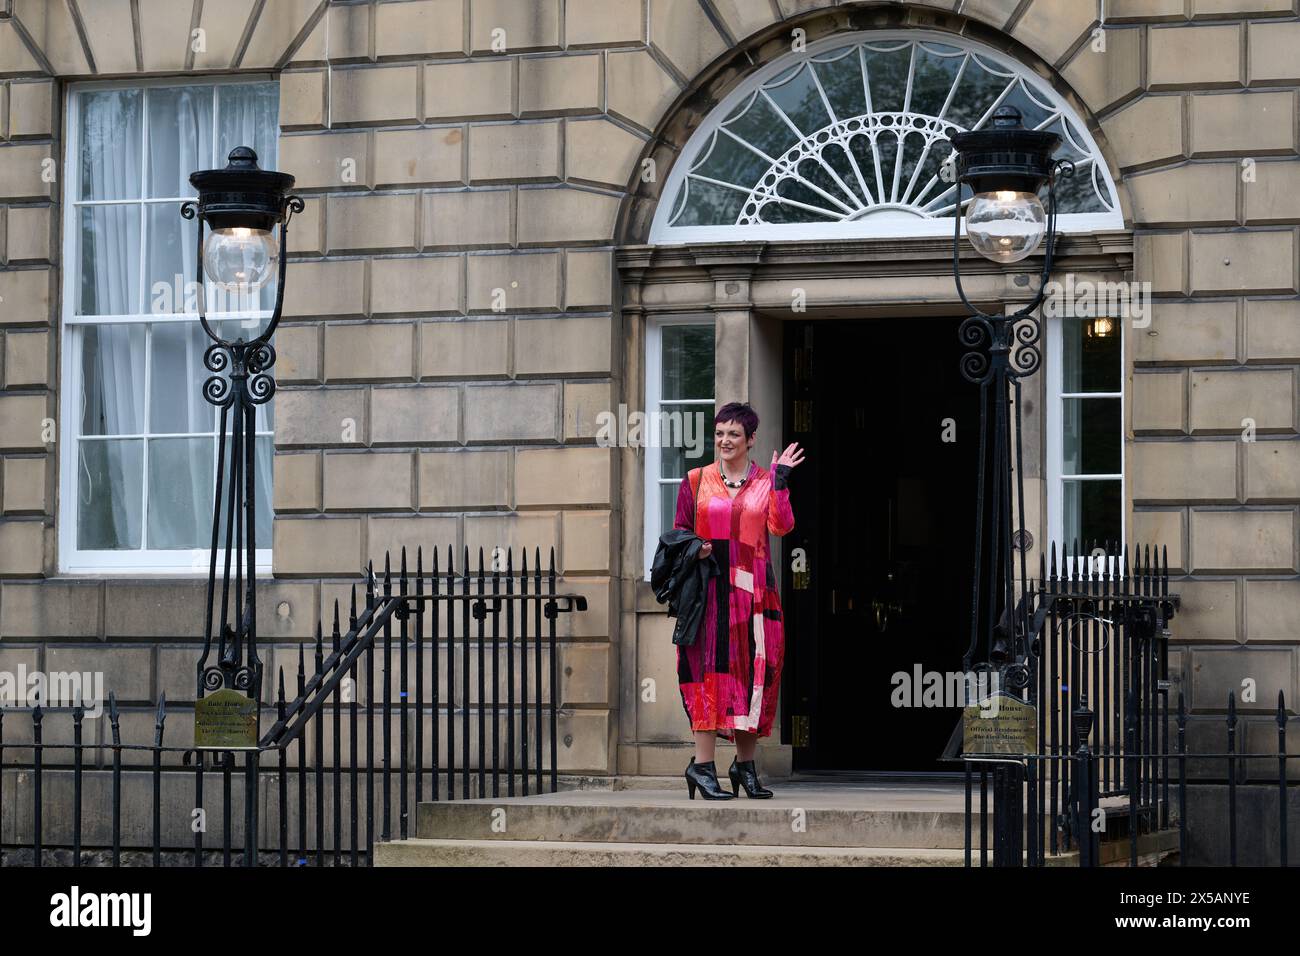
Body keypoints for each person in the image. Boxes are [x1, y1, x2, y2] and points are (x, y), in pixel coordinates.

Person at [673, 401, 804, 799]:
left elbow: (782, 527)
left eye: (733, 434)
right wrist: (694, 549)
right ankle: (702, 766)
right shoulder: (696, 480)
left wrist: (780, 482)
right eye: (719, 433)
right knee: (707, 676)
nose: (725, 441)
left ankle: (745, 766)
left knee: (753, 679)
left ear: (750, 440)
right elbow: (678, 532)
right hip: (709, 596)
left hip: (755, 596)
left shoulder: (766, 482)